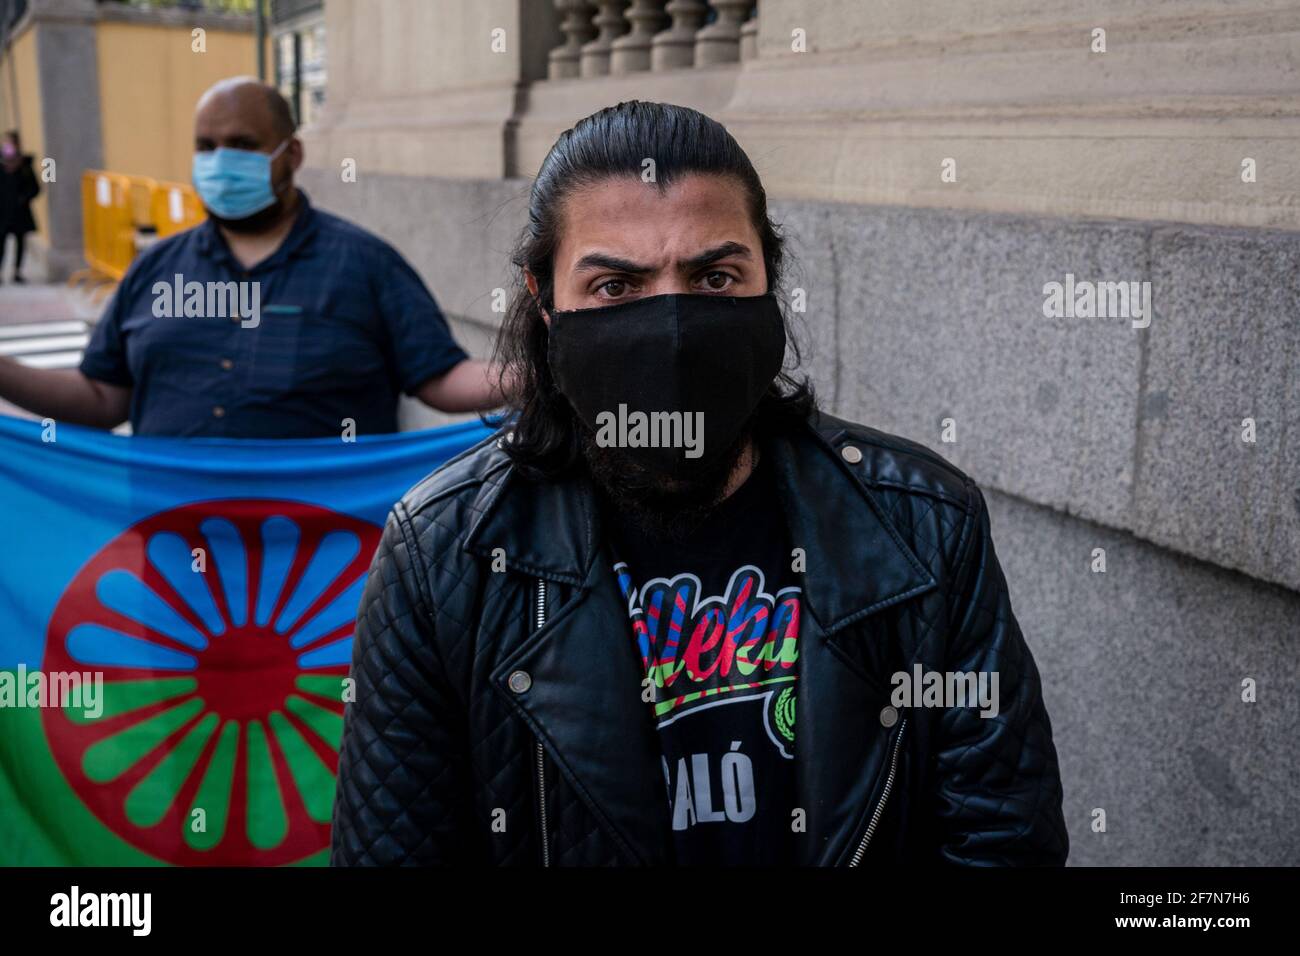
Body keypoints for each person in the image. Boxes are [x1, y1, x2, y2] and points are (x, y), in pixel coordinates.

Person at [330, 101, 1068, 866]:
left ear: (768, 279)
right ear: (545, 301)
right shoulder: (444, 556)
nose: (673, 329)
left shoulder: (924, 524)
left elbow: (1003, 838)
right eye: (617, 287)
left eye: (715, 276)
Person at [0, 78, 501, 437]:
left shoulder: (366, 264)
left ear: (292, 154)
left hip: (325, 558)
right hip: (174, 555)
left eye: (242, 144)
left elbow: (439, 375)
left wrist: (540, 371)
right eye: (206, 146)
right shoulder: (155, 270)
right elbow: (102, 397)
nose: (220, 161)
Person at [0, 130, 39, 284]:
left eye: (11, 143)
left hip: (19, 212)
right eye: (6, 143)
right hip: (2, 212)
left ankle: (17, 272)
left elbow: (35, 188)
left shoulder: (25, 165)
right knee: (1, 243)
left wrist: (23, 199)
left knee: (20, 243)